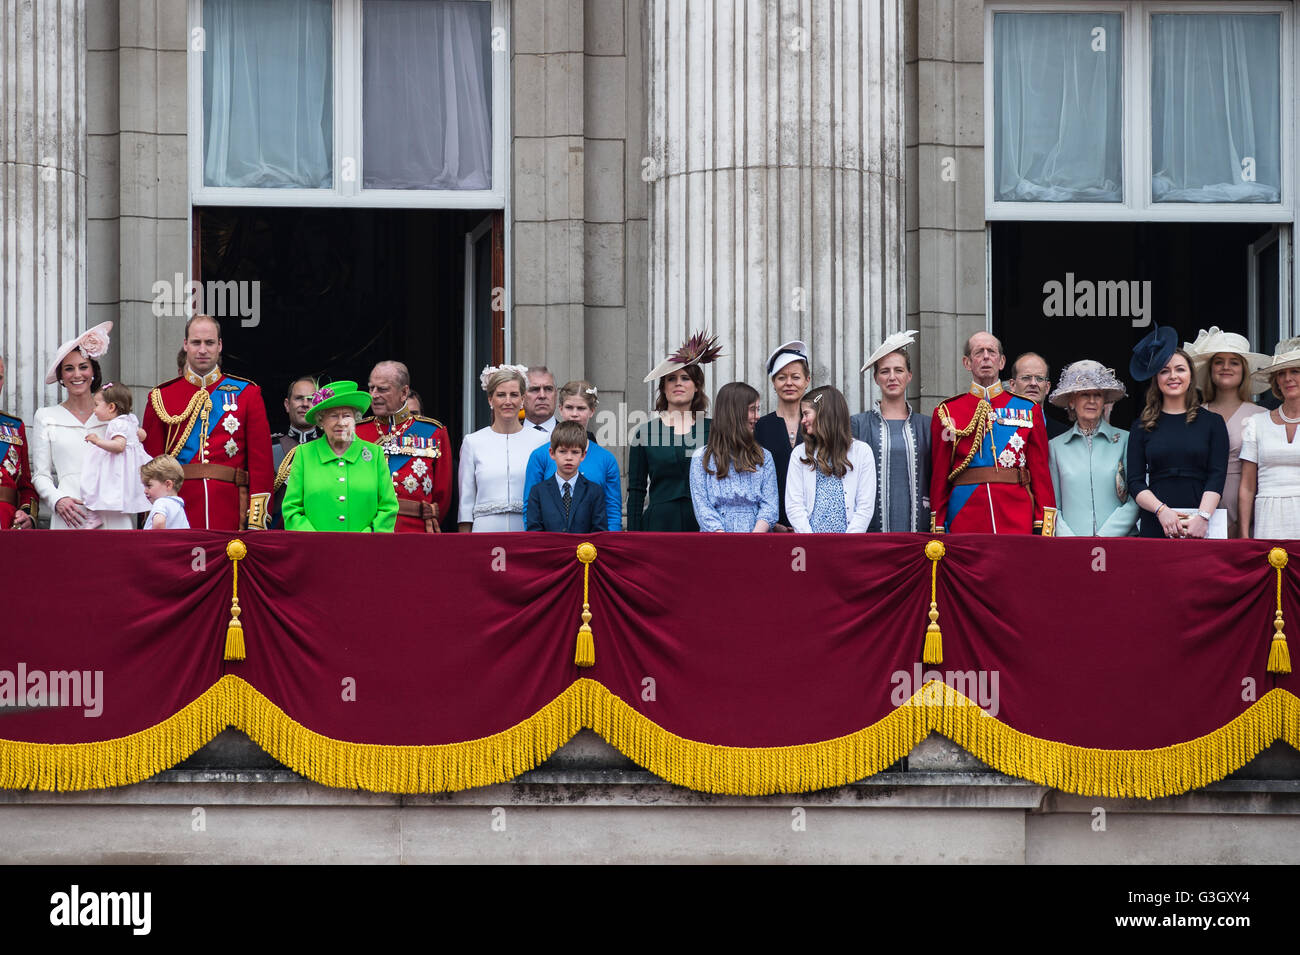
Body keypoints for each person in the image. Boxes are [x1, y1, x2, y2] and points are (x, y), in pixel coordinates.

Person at [142, 315, 273, 530]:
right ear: (185, 345)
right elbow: (151, 464)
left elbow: (261, 464)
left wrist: (256, 520)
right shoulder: (161, 397)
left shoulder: (247, 394)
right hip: (177, 512)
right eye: (196, 342)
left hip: (232, 509)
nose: (202, 350)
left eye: (209, 342)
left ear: (220, 345)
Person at [930, 332, 1057, 535]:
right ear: (967, 363)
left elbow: (1041, 473)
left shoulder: (1028, 409)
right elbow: (940, 476)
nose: (986, 357)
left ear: (1001, 361)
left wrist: (1043, 522)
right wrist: (938, 525)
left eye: (992, 352)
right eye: (979, 352)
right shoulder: (947, 412)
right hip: (965, 513)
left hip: (1016, 512)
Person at [1127, 326, 1228, 539]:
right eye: (1164, 371)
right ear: (1156, 379)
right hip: (1156, 519)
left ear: (1191, 375)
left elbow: (1217, 476)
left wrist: (1202, 517)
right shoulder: (1141, 426)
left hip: (1201, 521)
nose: (1173, 376)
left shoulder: (1213, 423)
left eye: (1180, 369)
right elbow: (1135, 481)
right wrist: (1161, 511)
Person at [32, 322, 135, 530]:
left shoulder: (114, 415)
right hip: (71, 513)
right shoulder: (46, 416)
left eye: (83, 367)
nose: (77, 374)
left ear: (94, 372)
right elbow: (40, 474)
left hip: (113, 511)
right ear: (61, 377)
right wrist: (58, 500)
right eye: (69, 369)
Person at [628, 332, 719, 531]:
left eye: (685, 378)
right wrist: (632, 536)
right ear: (663, 388)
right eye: (671, 379)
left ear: (696, 387)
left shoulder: (715, 429)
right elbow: (636, 491)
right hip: (659, 525)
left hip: (705, 524)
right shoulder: (645, 433)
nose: (678, 383)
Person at [281, 382, 397, 532]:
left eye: (347, 416)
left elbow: (388, 507)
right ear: (321, 421)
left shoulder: (375, 454)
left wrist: (366, 538)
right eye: (333, 416)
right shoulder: (304, 454)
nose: (341, 423)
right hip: (316, 551)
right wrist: (315, 541)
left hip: (365, 550)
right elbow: (292, 510)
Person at [1184, 327, 1267, 538]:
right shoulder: (1194, 415)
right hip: (1200, 507)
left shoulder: (1261, 416)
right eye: (1219, 362)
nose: (1226, 367)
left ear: (1244, 370)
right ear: (1210, 370)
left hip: (1247, 510)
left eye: (1234, 362)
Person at [355, 361, 453, 533]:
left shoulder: (433, 432)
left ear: (404, 392)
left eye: (383, 389)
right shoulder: (356, 432)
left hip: (414, 531)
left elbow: (442, 496)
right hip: (365, 529)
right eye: (371, 388)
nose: (374, 395)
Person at [850, 330, 931, 532]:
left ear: (909, 376)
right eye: (885, 371)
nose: (892, 377)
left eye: (899, 370)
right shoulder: (857, 425)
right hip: (870, 528)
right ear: (876, 378)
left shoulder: (927, 426)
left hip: (918, 527)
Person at [1047, 361, 1136, 537]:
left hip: (1120, 542)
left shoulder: (1126, 440)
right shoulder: (1055, 447)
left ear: (1105, 401)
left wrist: (1105, 536)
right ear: (1072, 401)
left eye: (1098, 395)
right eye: (1085, 394)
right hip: (1071, 547)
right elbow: (1053, 506)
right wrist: (1071, 541)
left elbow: (1135, 499)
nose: (1092, 400)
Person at [458, 364, 549, 532]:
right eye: (501, 395)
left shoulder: (542, 440)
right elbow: (466, 501)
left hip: (528, 529)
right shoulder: (473, 442)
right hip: (485, 530)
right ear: (490, 399)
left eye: (514, 395)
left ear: (522, 399)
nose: (508, 401)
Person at [522, 380, 622, 530]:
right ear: (560, 409)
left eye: (581, 408)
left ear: (592, 411)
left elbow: (612, 511)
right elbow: (529, 508)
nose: (574, 414)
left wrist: (609, 545)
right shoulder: (540, 456)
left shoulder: (606, 460)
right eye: (569, 407)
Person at [689, 381, 778, 533]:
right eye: (752, 410)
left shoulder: (763, 457)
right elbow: (702, 507)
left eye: (757, 409)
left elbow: (770, 505)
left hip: (758, 539)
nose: (757, 416)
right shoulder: (701, 458)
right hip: (716, 541)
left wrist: (754, 538)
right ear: (733, 413)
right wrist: (724, 540)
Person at [787, 386, 877, 533]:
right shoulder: (800, 454)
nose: (802, 420)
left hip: (849, 545)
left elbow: (865, 506)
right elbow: (794, 505)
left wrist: (847, 543)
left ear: (823, 413)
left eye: (806, 414)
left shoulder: (862, 452)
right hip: (811, 544)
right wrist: (811, 540)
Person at [1239, 339, 1300, 539]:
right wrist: (1244, 534)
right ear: (1276, 381)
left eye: (1295, 371)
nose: (1288, 379)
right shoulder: (1257, 423)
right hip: (1268, 517)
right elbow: (1247, 486)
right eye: (1281, 373)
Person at [753, 340, 810, 529]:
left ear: (807, 381)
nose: (789, 383)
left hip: (811, 526)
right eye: (781, 377)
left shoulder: (817, 425)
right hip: (768, 526)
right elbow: (752, 481)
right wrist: (771, 522)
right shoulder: (760, 427)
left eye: (795, 377)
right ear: (773, 382)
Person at [80, 382, 151, 527]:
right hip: (131, 465)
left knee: (95, 481)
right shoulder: (130, 419)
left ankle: (94, 514)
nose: (94, 410)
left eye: (97, 405)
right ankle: (96, 513)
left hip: (118, 465)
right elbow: (143, 435)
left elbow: (119, 446)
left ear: (111, 407)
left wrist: (97, 441)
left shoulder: (116, 424)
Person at [526, 421, 608, 532]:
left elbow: (599, 531)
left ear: (583, 455)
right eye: (563, 451)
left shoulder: (594, 491)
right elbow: (534, 532)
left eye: (575, 452)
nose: (569, 457)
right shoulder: (538, 492)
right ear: (552, 453)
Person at [269, 375, 320, 528]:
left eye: (311, 399)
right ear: (287, 405)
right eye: (299, 398)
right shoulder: (270, 447)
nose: (305, 404)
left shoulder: (331, 448)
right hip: (279, 533)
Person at [0, 356, 38, 529]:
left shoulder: (15, 427)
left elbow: (26, 486)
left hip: (6, 524)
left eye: (0, 377)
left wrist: (27, 515)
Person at [1010, 352, 1068, 438]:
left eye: (1039, 379)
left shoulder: (1064, 435)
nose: (1033, 383)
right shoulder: (998, 428)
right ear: (1013, 385)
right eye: (1026, 378)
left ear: (1047, 387)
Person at [140, 454, 190, 530]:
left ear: (168, 485)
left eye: (149, 486)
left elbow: (159, 522)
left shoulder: (161, 502)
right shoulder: (178, 506)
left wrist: (157, 539)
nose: (145, 491)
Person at [523, 366, 558, 434]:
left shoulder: (573, 438)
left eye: (548, 389)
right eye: (534, 389)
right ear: (522, 397)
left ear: (556, 395)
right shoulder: (508, 436)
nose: (542, 396)